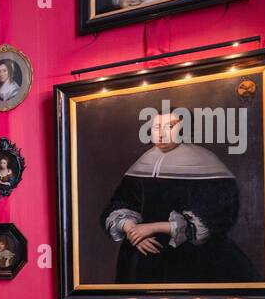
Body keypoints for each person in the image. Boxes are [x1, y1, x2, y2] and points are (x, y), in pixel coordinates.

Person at [100, 111, 254, 285]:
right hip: (142, 255)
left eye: (170, 126)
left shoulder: (204, 161)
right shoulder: (145, 161)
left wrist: (155, 227)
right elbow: (122, 201)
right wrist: (131, 230)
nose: (162, 133)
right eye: (157, 127)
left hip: (193, 258)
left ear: (184, 129)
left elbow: (219, 214)